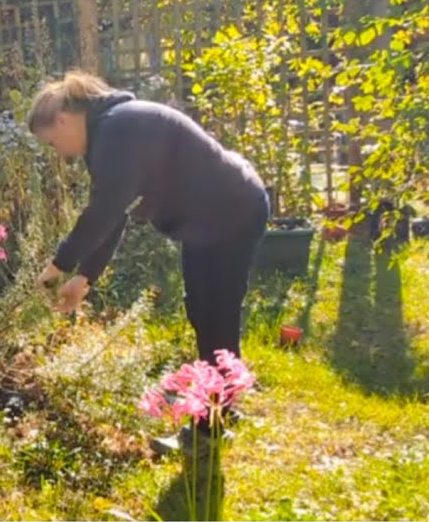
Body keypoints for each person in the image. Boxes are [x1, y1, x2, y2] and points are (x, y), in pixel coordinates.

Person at [27, 71, 270, 456]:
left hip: (233, 211)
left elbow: (103, 212)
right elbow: (117, 213)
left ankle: (209, 431)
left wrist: (58, 267)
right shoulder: (111, 132)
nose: (61, 153)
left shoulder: (119, 129)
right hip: (209, 220)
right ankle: (223, 405)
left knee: (215, 313)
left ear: (62, 120)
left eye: (54, 142)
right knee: (203, 310)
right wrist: (85, 278)